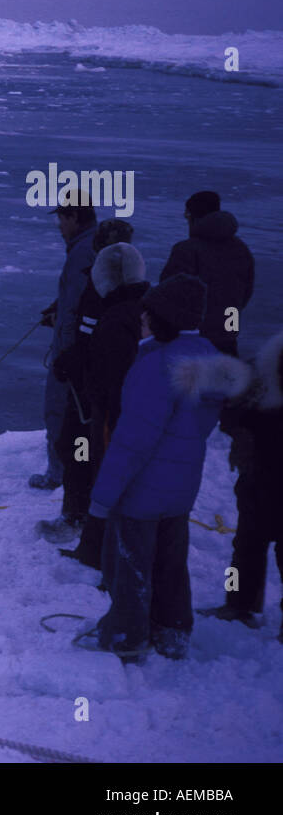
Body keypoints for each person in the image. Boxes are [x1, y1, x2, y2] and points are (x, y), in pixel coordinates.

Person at [82, 274, 252, 661]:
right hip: (181, 487)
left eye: (148, 314)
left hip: (142, 491)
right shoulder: (207, 357)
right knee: (171, 562)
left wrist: (102, 499)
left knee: (129, 566)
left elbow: (132, 443)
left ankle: (125, 637)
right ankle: (172, 631)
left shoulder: (157, 367)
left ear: (163, 318)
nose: (142, 319)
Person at [39, 220, 135, 541]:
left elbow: (91, 340)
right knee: (94, 450)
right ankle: (95, 517)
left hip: (89, 393)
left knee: (78, 446)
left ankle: (77, 517)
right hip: (109, 392)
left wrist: (69, 362)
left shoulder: (102, 294)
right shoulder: (137, 296)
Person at [58, 242, 149, 568]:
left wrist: (85, 382)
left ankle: (103, 553)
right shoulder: (142, 309)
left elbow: (113, 373)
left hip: (112, 414)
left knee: (105, 475)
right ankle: (96, 546)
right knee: (104, 475)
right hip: (123, 412)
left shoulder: (115, 317)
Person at [202, 329, 283, 640]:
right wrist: (242, 437)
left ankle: (238, 603)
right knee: (247, 544)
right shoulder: (261, 370)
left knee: (249, 545)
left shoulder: (262, 367)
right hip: (259, 474)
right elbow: (233, 410)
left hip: (260, 474)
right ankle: (237, 602)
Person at [30, 190, 97, 490]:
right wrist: (57, 308)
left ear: (74, 217)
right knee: (82, 413)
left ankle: (58, 474)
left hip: (72, 350)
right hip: (88, 349)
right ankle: (79, 467)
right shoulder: (93, 245)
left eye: (61, 218)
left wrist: (66, 353)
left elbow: (74, 309)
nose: (59, 225)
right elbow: (79, 299)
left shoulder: (83, 251)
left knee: (58, 410)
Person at [159, 191, 254, 356]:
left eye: (186, 214)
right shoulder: (240, 248)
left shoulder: (186, 250)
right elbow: (246, 291)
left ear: (192, 216)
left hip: (195, 339)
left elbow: (168, 295)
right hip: (229, 332)